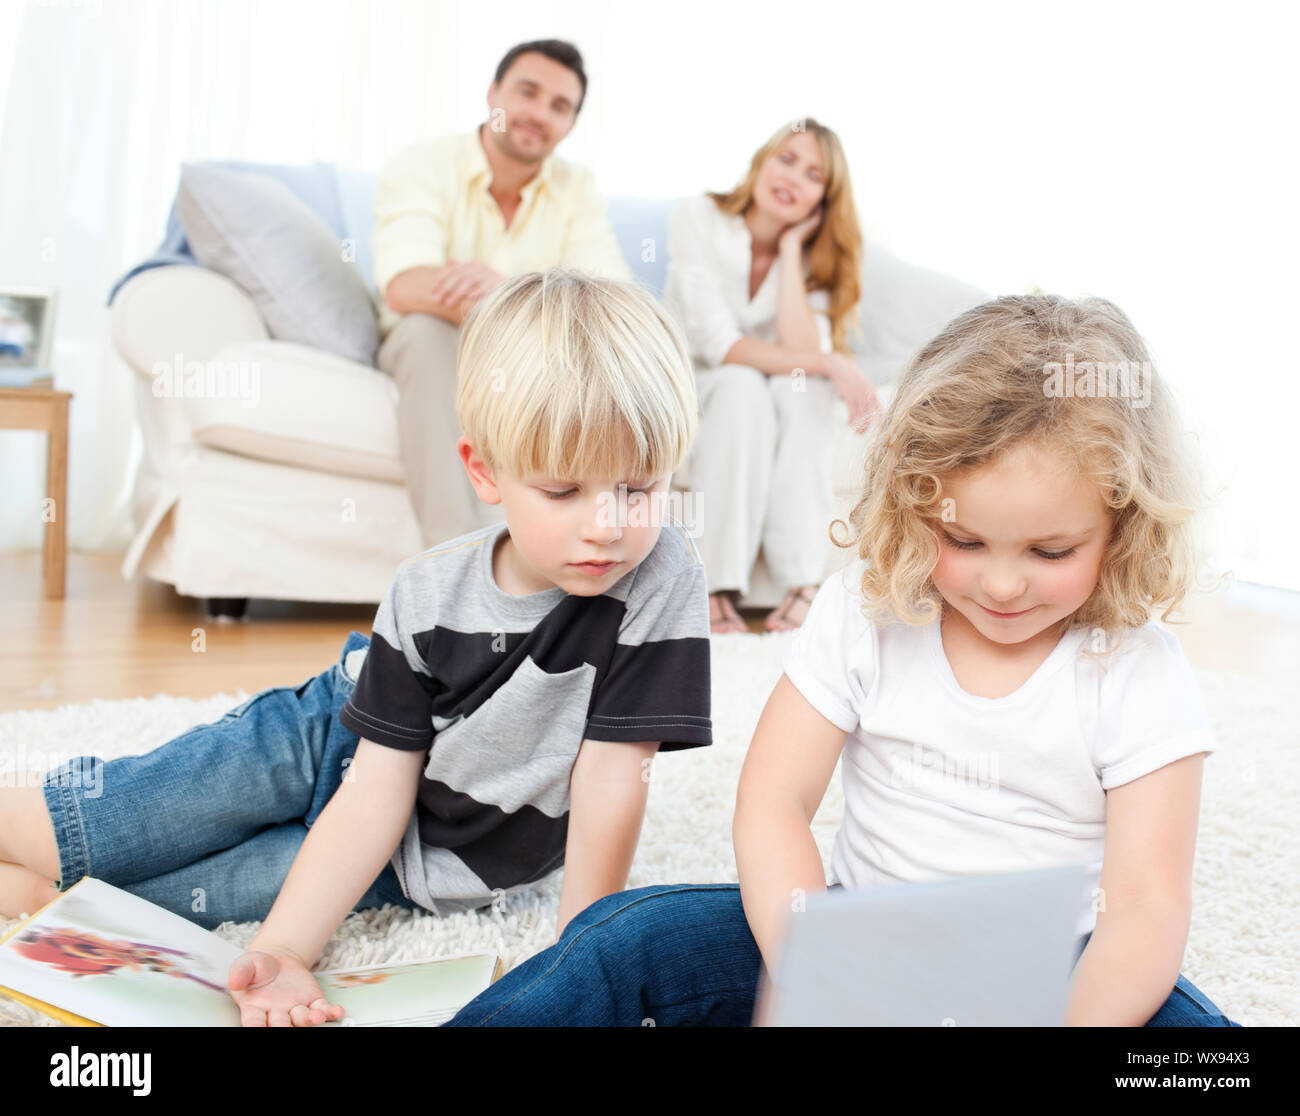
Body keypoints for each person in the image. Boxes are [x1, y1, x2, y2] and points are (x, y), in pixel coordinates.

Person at [444, 293, 1241, 1027]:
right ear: (910, 504)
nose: (1002, 583)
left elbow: (1143, 905)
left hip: (1060, 972)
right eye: (962, 541)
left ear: (1122, 527)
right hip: (850, 933)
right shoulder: (866, 611)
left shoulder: (1137, 670)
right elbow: (773, 802)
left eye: (1051, 549)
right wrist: (815, 971)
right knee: (628, 937)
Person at [0, 270, 712, 1028]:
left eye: (638, 488)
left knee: (158, 908)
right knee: (100, 828)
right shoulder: (426, 593)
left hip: (416, 862)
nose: (607, 525)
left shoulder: (663, 578)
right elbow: (373, 791)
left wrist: (583, 960)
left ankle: (26, 893)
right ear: (484, 471)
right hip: (320, 745)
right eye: (565, 492)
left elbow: (611, 776)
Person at [373, 39, 632, 549]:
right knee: (428, 332)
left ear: (572, 125)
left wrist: (502, 291)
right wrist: (540, 301)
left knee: (595, 358)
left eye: (559, 106)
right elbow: (406, 286)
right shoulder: (425, 163)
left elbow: (609, 302)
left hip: (533, 355)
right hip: (438, 345)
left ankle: (559, 566)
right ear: (493, 93)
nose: (539, 113)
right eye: (527, 93)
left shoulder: (577, 187)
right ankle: (456, 562)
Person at [664, 118, 881, 636]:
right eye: (786, 159)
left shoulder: (813, 258)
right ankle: (713, 585)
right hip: (696, 379)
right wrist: (829, 362)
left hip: (767, 394)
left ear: (822, 201)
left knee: (803, 393)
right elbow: (721, 347)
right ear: (761, 161)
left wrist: (789, 253)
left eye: (813, 176)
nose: (792, 179)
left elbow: (804, 354)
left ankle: (803, 583)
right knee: (744, 386)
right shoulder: (697, 216)